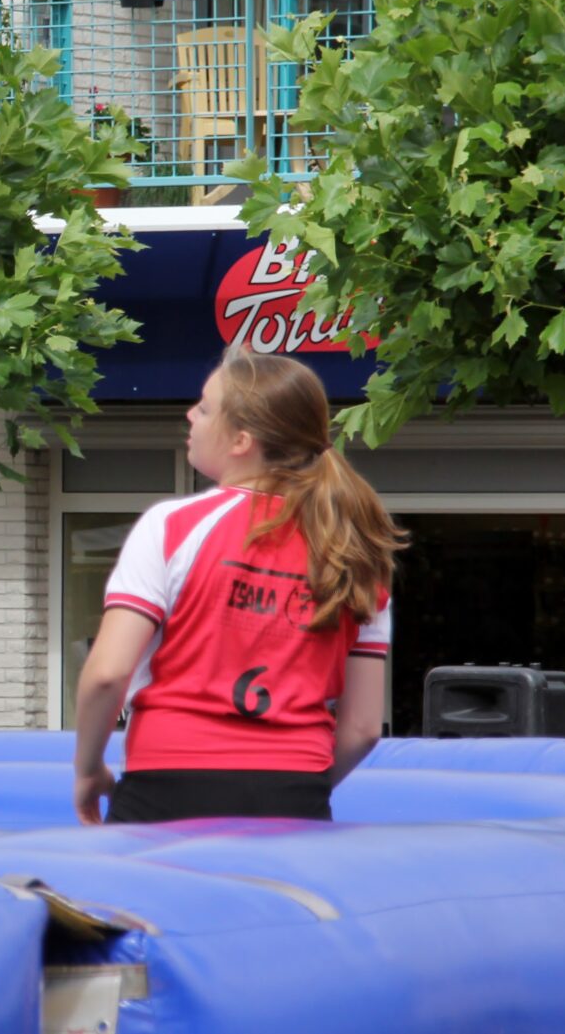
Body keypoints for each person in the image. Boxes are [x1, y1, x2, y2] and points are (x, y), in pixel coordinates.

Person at [71, 352, 403, 825]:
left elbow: (107, 675)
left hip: (167, 780)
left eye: (204, 408)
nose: (190, 415)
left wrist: (88, 770)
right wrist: (294, 789)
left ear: (242, 440)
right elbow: (365, 728)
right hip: (294, 789)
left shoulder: (172, 527)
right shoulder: (357, 552)